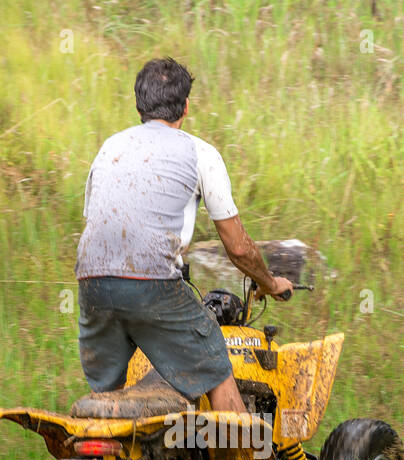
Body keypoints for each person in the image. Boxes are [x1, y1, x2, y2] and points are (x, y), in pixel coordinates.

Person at [74, 57, 293, 414]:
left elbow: (102, 227)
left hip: (92, 283)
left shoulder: (109, 148)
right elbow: (238, 248)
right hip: (153, 284)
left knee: (108, 399)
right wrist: (269, 282)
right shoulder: (199, 152)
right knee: (217, 369)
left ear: (138, 104)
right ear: (186, 106)